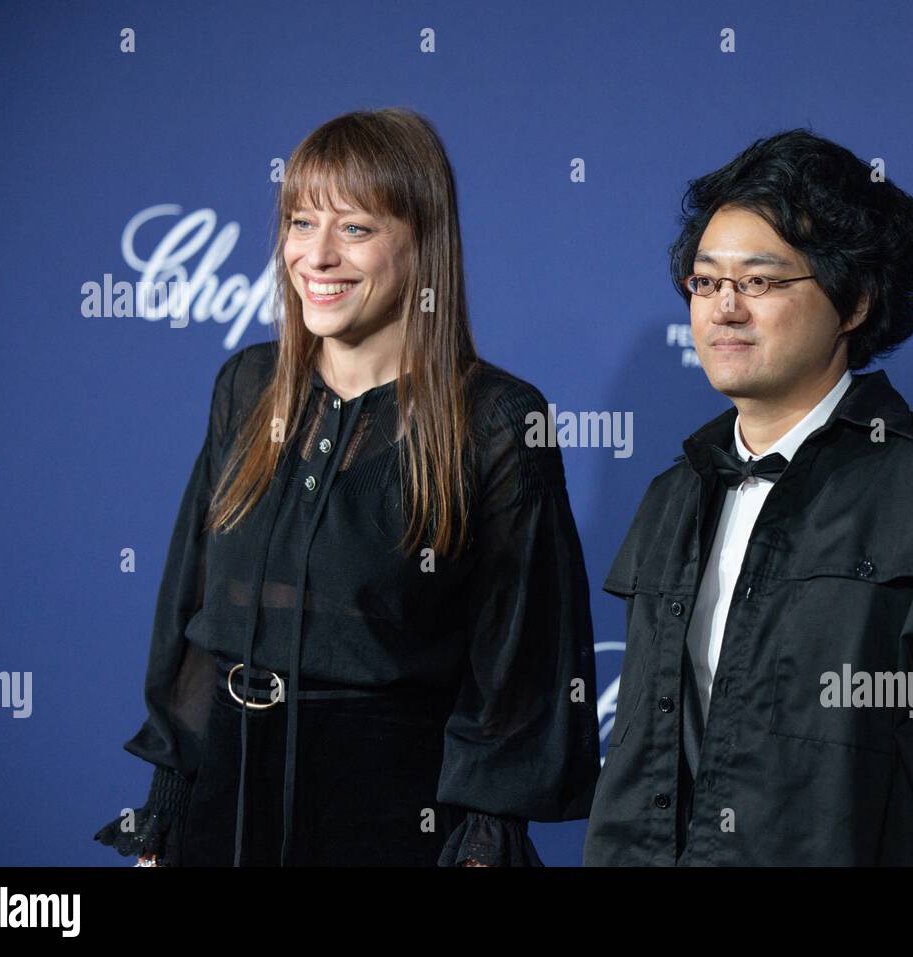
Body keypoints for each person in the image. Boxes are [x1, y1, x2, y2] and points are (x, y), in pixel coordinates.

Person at [93, 108, 600, 867]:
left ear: (422, 243)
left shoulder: (497, 419)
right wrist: (165, 816)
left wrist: (480, 851)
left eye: (355, 228)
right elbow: (193, 613)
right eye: (301, 222)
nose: (316, 256)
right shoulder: (247, 385)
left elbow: (521, 670)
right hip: (219, 812)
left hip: (389, 822)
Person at [582, 129, 913, 866]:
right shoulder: (673, 496)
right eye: (706, 281)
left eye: (759, 281)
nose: (724, 308)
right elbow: (642, 772)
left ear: (854, 302)